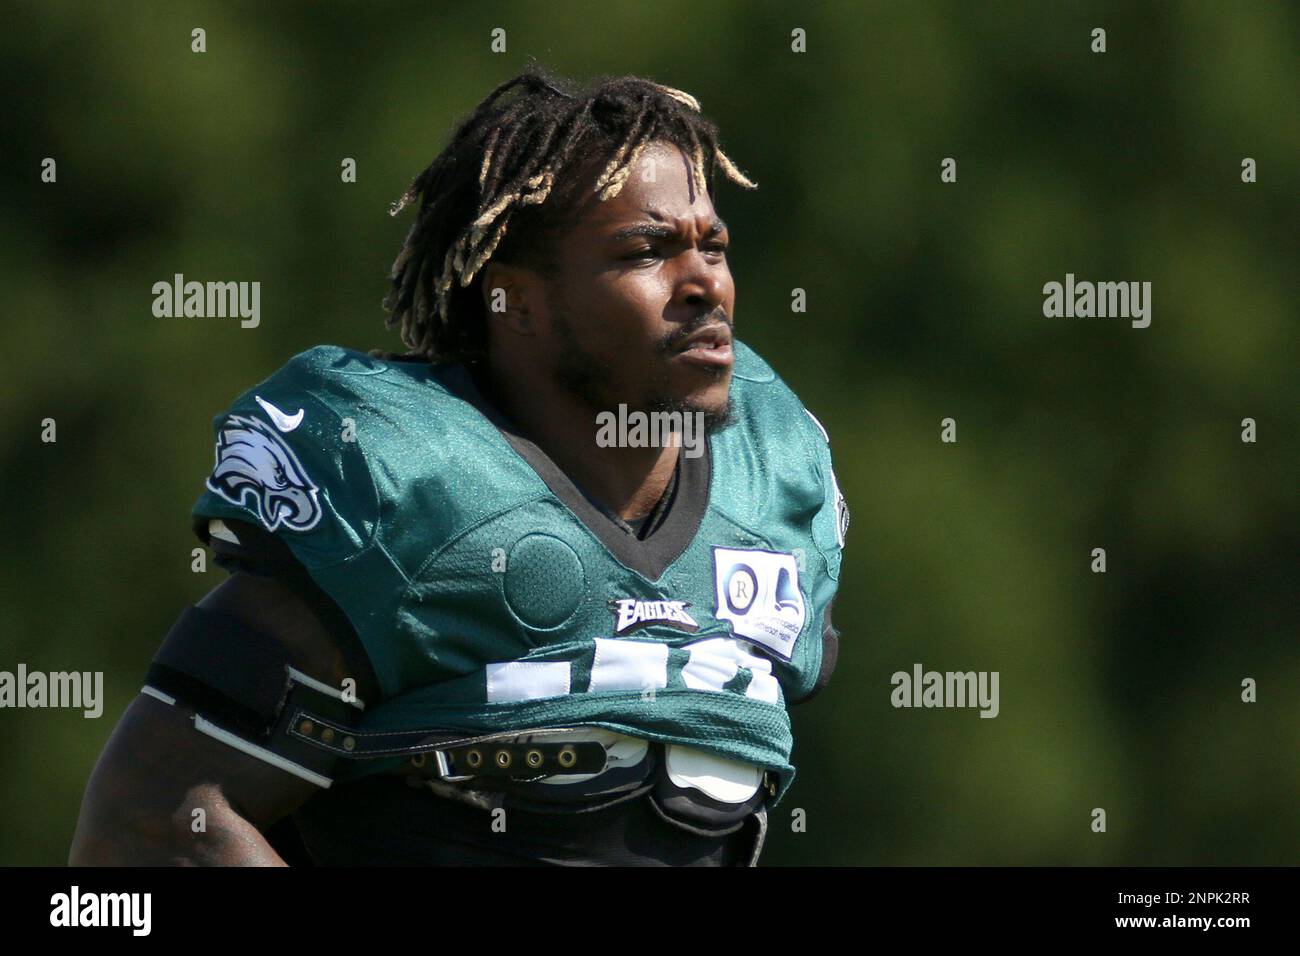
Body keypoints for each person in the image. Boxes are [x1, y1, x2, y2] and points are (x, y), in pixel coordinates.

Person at [70, 66, 847, 866]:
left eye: (712, 245)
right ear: (519, 301)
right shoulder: (412, 484)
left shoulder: (772, 478)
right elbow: (153, 822)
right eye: (647, 250)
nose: (703, 285)